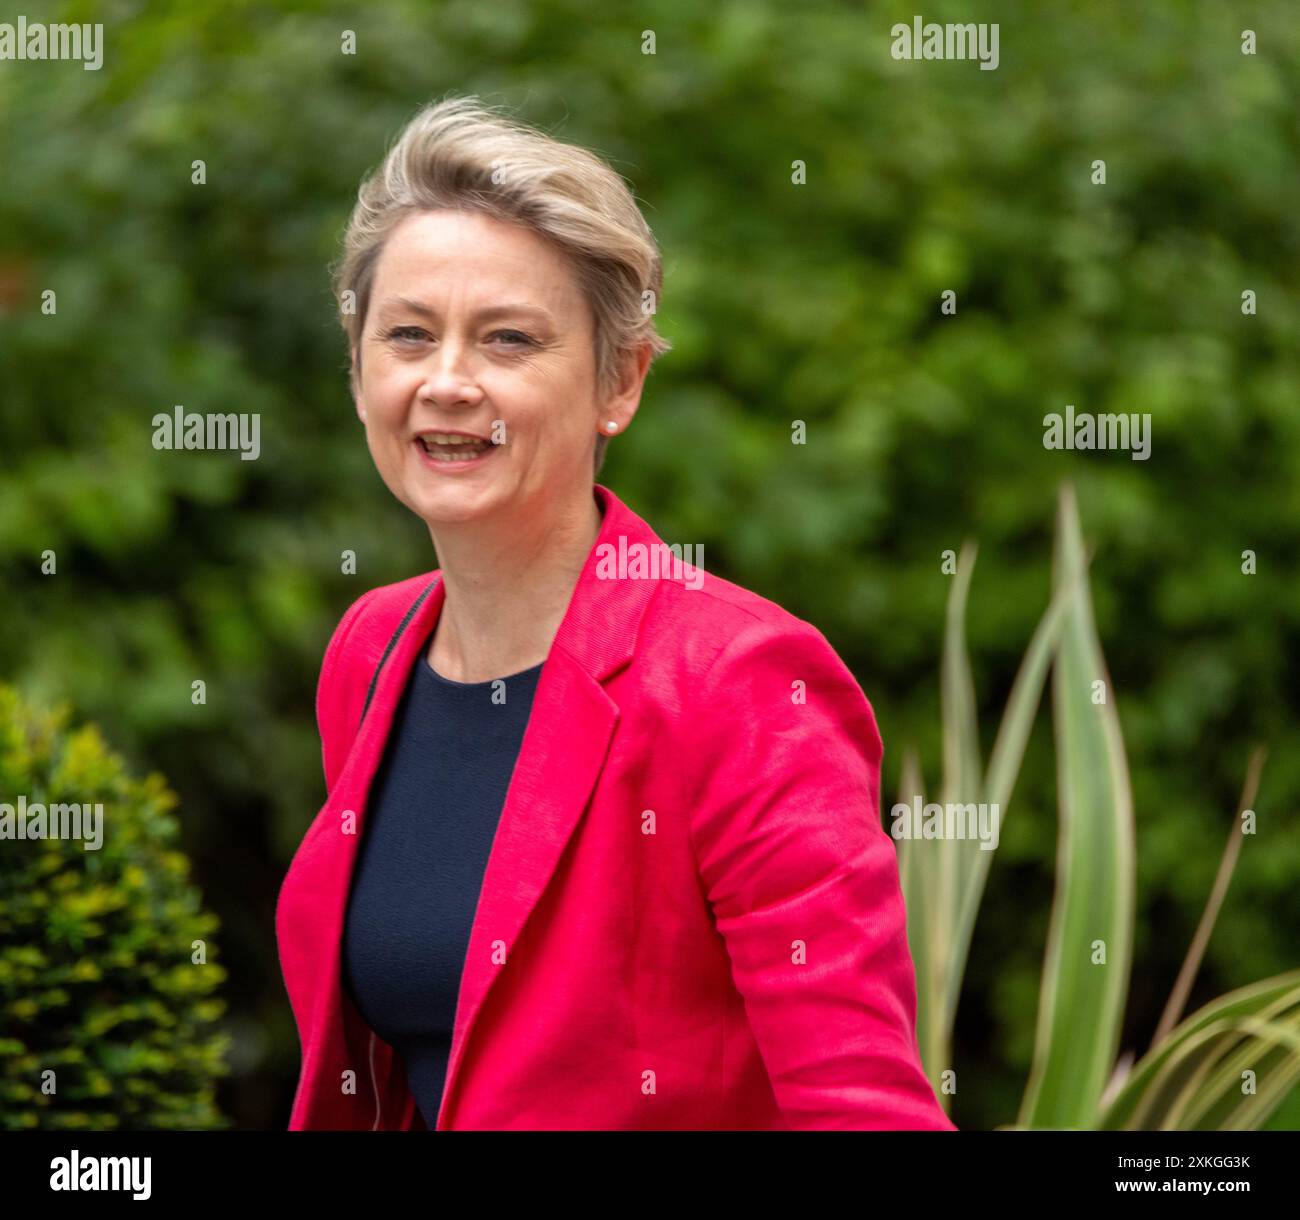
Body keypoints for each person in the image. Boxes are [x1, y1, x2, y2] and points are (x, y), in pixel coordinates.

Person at [275, 94, 956, 1132]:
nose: (448, 381)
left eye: (508, 339)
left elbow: (860, 1106)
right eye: (409, 334)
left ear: (620, 382)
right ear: (359, 366)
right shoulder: (369, 652)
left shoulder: (740, 680)